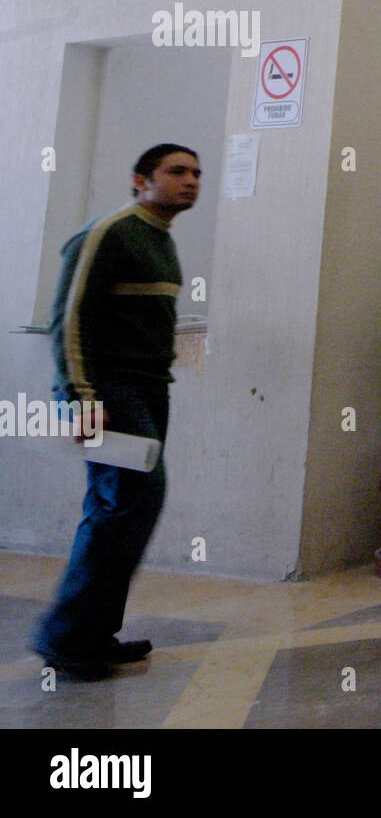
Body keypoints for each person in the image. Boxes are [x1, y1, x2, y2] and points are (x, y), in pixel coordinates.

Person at [30, 144, 201, 680]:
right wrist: (81, 399)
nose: (190, 180)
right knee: (132, 500)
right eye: (176, 171)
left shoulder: (162, 242)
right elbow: (69, 319)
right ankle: (63, 637)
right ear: (139, 180)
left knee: (119, 511)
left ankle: (92, 634)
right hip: (110, 393)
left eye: (196, 173)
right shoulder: (109, 233)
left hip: (151, 391)